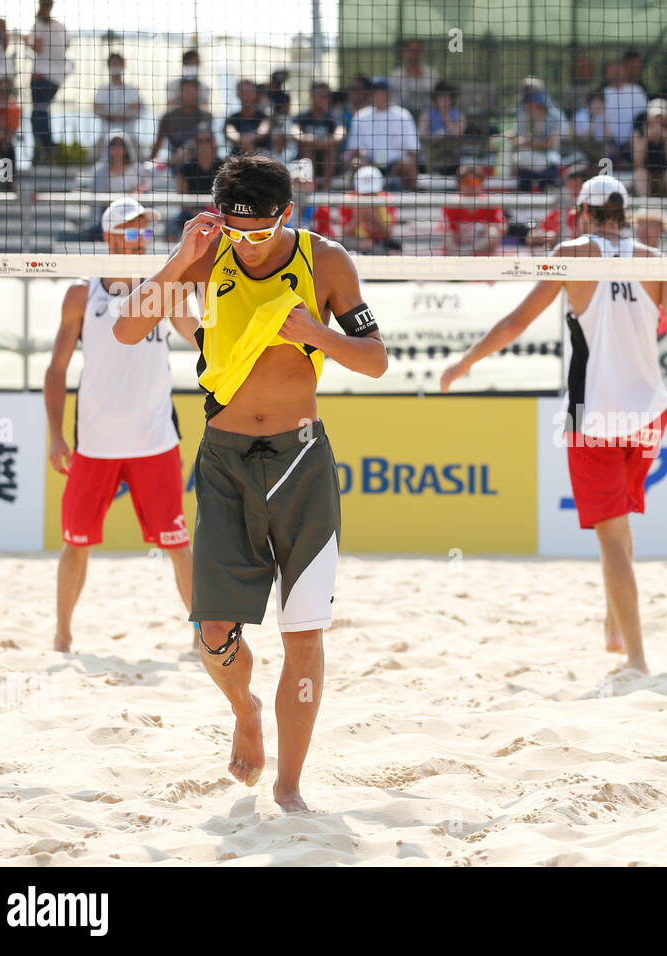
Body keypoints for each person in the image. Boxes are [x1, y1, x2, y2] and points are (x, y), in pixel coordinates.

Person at [111, 153, 389, 812]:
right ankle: (245, 706)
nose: (247, 243)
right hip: (225, 458)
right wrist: (180, 259)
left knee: (304, 634)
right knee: (212, 632)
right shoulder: (208, 255)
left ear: (287, 215)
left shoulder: (327, 262)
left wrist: (315, 332)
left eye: (260, 232)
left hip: (300, 460)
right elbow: (126, 328)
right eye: (235, 230)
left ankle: (290, 786)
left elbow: (375, 360)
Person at [440, 174, 667, 674]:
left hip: (592, 416)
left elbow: (516, 323)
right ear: (623, 213)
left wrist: (465, 362)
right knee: (619, 525)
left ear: (582, 212)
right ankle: (615, 625)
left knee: (610, 535)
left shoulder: (572, 254)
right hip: (648, 413)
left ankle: (637, 659)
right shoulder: (652, 260)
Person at [44, 198, 199, 653]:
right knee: (76, 543)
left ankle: (198, 638)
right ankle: (62, 636)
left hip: (154, 440)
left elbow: (200, 336)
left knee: (177, 543)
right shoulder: (81, 293)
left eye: (145, 232)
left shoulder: (164, 289)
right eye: (132, 232)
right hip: (94, 443)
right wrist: (55, 434)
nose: (142, 240)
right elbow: (56, 369)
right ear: (109, 238)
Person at [342, 79, 418, 190]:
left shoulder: (403, 115)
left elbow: (413, 151)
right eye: (373, 92)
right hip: (370, 162)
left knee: (408, 165)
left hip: (397, 164)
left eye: (379, 92)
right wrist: (367, 163)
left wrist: (395, 168)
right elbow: (354, 150)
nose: (375, 95)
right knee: (356, 163)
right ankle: (359, 201)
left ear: (388, 94)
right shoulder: (360, 116)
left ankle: (410, 201)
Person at [23, 0, 69, 161]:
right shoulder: (60, 26)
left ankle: (45, 147)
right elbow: (67, 45)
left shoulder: (38, 25)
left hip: (41, 76)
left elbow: (37, 47)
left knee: (38, 112)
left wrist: (26, 40)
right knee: (42, 111)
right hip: (57, 77)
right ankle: (46, 147)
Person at [441, 163, 504, 255]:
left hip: (481, 248)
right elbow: (446, 231)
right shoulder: (451, 204)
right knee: (446, 236)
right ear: (459, 184)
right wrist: (461, 236)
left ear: (482, 183)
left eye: (476, 181)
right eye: (466, 181)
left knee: (493, 233)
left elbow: (502, 227)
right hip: (457, 246)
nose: (471, 185)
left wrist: (479, 228)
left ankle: (464, 254)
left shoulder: (491, 203)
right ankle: (460, 255)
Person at [291, 82, 345, 189]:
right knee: (308, 147)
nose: (324, 98)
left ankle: (325, 187)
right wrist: (310, 140)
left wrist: (322, 142)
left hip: (330, 162)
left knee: (331, 148)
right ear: (312, 95)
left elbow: (340, 135)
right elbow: (295, 133)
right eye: (321, 95)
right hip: (306, 159)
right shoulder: (302, 115)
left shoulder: (334, 116)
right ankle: (310, 186)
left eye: (327, 95)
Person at [337, 164, 398, 254]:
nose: (369, 195)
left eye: (372, 192)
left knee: (394, 249)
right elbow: (344, 233)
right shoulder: (348, 201)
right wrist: (356, 219)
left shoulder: (388, 200)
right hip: (355, 242)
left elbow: (389, 234)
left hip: (380, 243)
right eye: (365, 192)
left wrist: (376, 218)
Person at [150, 78, 214, 165]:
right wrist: (150, 160)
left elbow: (209, 142)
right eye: (186, 90)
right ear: (179, 92)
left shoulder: (206, 116)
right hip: (176, 163)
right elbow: (158, 142)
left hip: (200, 163)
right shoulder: (168, 117)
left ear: (198, 92)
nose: (189, 93)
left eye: (193, 90)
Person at [513, 87, 561, 192]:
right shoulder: (525, 116)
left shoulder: (553, 116)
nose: (529, 106)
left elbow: (549, 143)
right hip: (528, 162)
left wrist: (527, 142)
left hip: (549, 161)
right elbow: (518, 137)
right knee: (524, 178)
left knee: (549, 180)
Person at [631, 98, 667, 198]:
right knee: (640, 174)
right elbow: (638, 163)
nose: (658, 119)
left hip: (663, 178)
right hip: (646, 177)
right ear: (648, 117)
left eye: (661, 116)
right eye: (655, 116)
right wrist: (646, 139)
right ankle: (644, 206)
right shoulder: (639, 133)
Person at [94, 53, 143, 150]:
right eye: (113, 64)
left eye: (118, 64)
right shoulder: (102, 89)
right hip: (105, 137)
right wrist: (121, 115)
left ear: (123, 65)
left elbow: (136, 110)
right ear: (108, 66)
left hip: (130, 136)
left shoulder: (132, 89)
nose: (115, 67)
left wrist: (113, 116)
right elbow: (97, 109)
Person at [417, 79, 463, 175]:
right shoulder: (427, 114)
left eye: (447, 97)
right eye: (441, 97)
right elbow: (421, 133)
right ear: (436, 98)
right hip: (432, 152)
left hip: (452, 155)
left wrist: (445, 114)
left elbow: (457, 133)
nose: (444, 100)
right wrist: (435, 135)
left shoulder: (458, 115)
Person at [389, 38, 437, 118]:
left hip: (428, 118)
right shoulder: (396, 75)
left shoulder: (432, 74)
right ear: (404, 52)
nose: (414, 54)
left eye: (417, 50)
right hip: (402, 117)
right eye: (410, 50)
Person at [225, 80, 271, 156]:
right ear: (238, 94)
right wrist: (245, 141)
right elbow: (230, 134)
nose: (246, 95)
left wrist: (244, 140)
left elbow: (263, 132)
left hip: (262, 159)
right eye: (243, 91)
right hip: (237, 160)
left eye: (249, 91)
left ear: (256, 93)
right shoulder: (232, 118)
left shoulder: (263, 117)